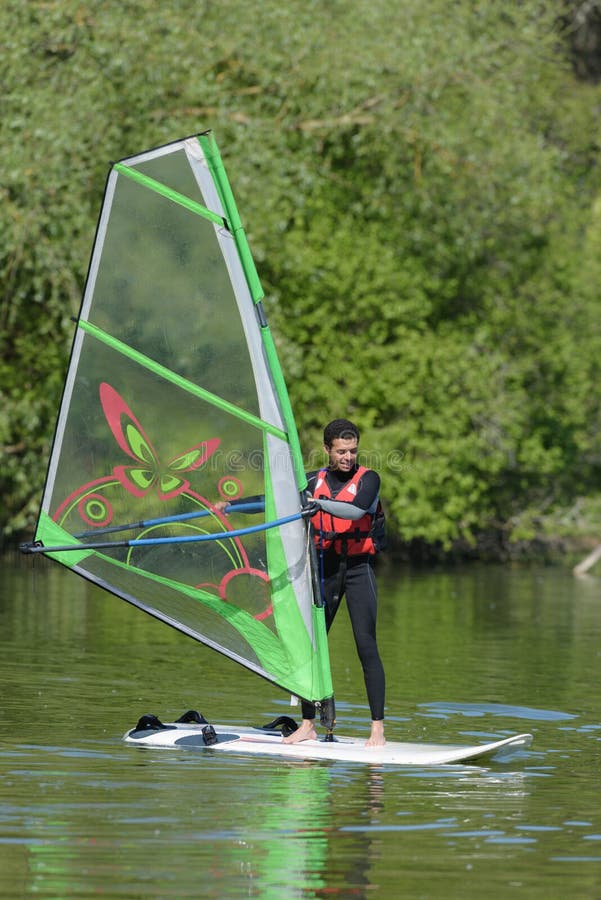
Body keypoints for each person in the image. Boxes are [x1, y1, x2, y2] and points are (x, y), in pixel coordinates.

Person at [283, 418, 386, 748]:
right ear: (327, 449)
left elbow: (356, 512)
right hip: (324, 571)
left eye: (353, 450)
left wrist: (316, 504)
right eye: (341, 451)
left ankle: (377, 730)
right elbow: (275, 502)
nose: (348, 457)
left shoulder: (369, 479)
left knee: (366, 645)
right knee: (311, 648)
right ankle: (308, 724)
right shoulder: (313, 481)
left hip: (358, 570)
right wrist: (231, 506)